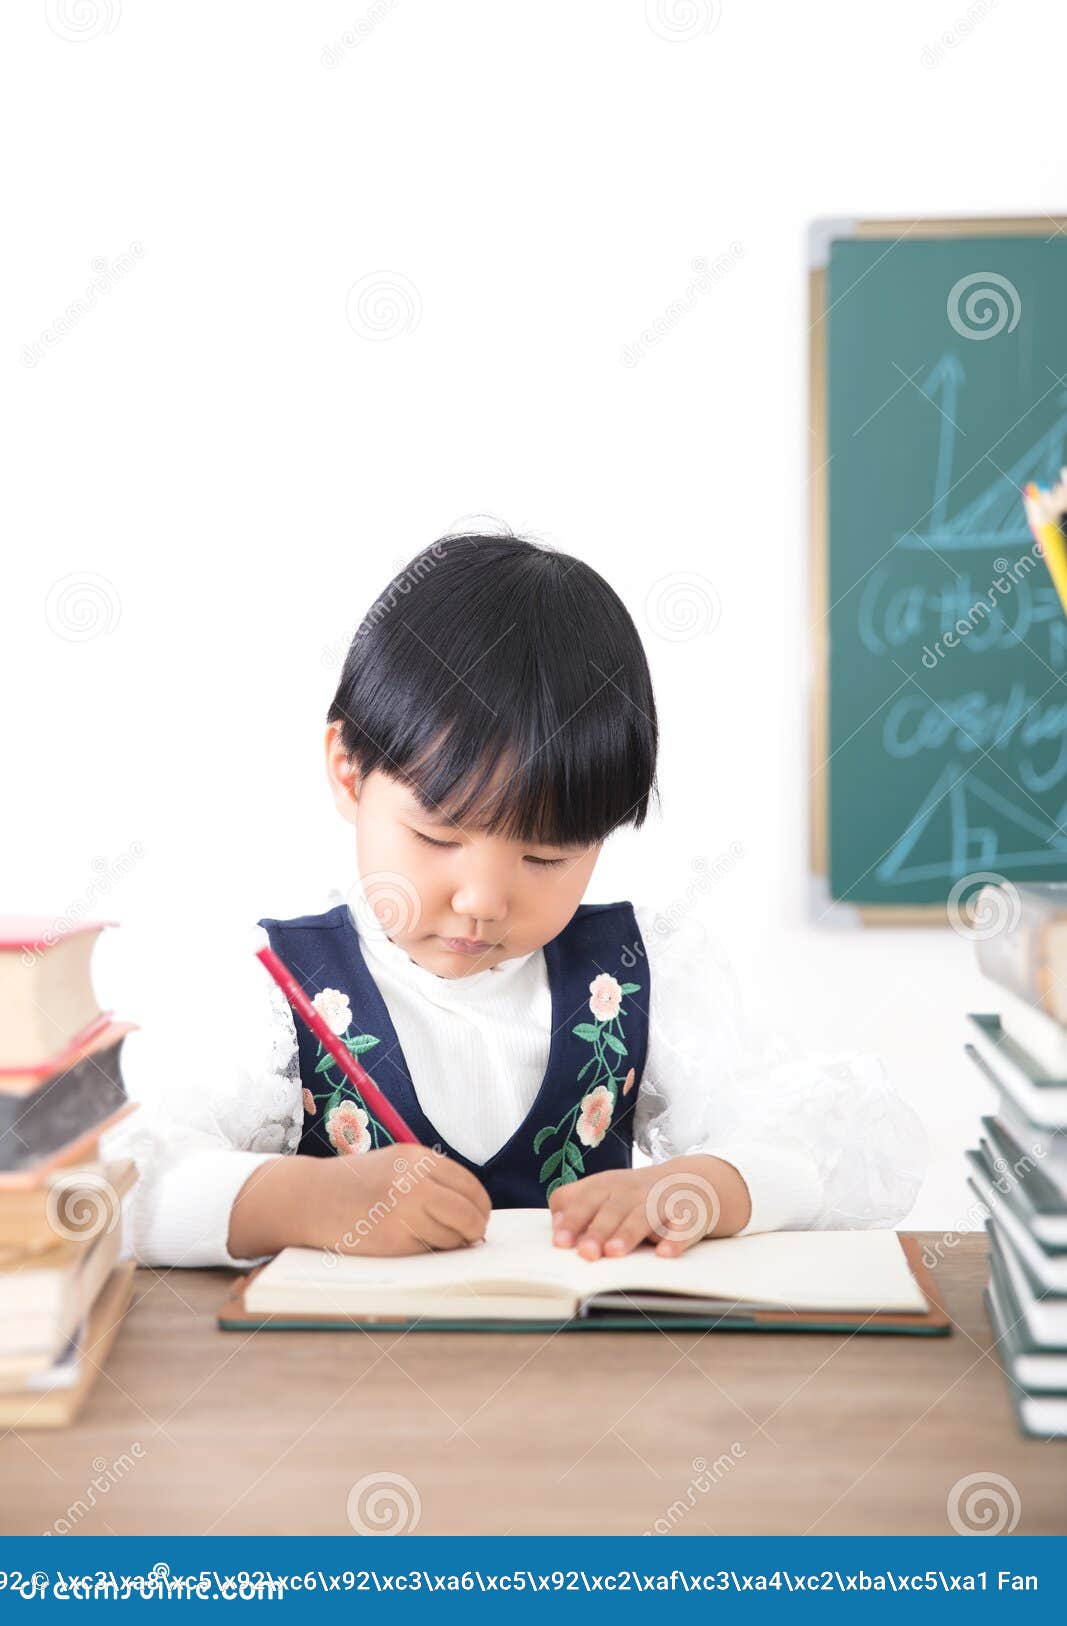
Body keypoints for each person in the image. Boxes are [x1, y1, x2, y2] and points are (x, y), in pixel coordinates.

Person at [104, 530, 926, 1271]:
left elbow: (846, 1140)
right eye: (438, 838)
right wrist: (303, 1201)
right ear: (348, 771)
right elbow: (112, 1185)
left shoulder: (639, 977)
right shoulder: (276, 990)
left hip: (590, 1412)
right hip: (344, 1412)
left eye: (546, 856)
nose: (482, 900)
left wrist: (708, 1184)